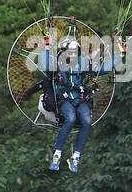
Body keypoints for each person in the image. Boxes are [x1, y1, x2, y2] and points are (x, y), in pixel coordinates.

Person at [48, 34, 125, 173]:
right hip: (65, 100)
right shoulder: (57, 64)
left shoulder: (82, 63)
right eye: (69, 52)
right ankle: (57, 154)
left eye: (74, 52)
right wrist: (48, 47)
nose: (72, 55)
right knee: (70, 119)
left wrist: (121, 55)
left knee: (87, 121)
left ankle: (75, 156)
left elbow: (103, 68)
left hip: (81, 99)